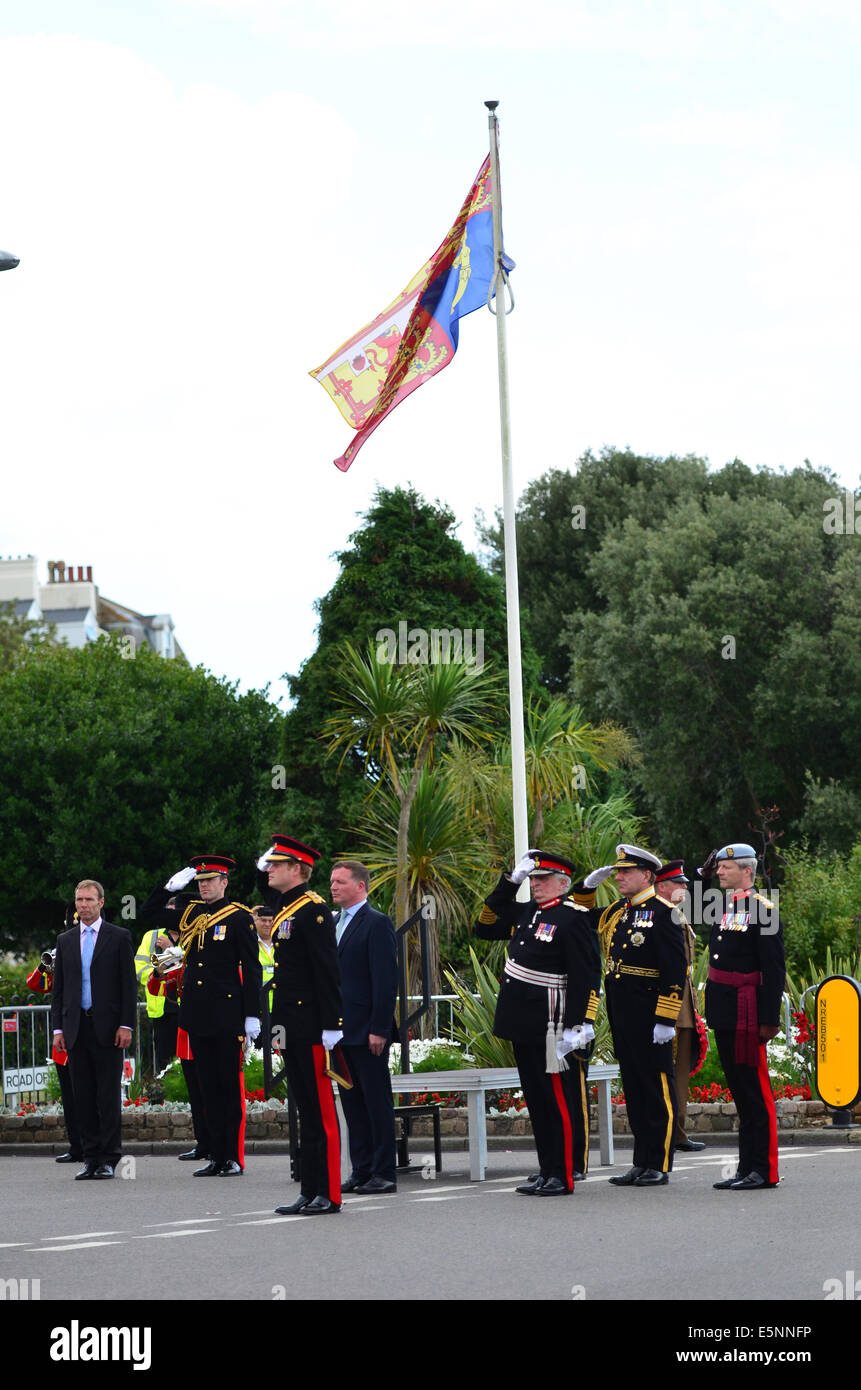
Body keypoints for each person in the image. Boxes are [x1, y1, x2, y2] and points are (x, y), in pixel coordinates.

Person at [473, 849, 601, 1195]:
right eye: (533, 879)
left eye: (543, 880)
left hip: (553, 1023)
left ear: (563, 883)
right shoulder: (527, 912)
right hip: (523, 1022)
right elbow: (484, 926)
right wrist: (508, 883)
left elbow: (587, 974)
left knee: (556, 1099)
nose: (537, 885)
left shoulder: (573, 918)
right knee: (537, 1099)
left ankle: (562, 1173)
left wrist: (582, 1023)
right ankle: (547, 1170)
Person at [141, 855, 261, 1177]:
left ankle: (232, 1157)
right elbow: (149, 913)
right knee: (207, 1087)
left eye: (210, 881)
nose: (204, 886)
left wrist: (252, 1015)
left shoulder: (238, 917)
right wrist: (168, 887)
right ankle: (216, 1155)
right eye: (200, 882)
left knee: (228, 1089)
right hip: (196, 1013)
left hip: (226, 1013)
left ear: (224, 882)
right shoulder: (191, 912)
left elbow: (252, 968)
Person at [583, 844, 687, 1188]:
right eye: (618, 871)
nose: (619, 876)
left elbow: (675, 969)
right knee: (635, 1087)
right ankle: (641, 1161)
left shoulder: (665, 912)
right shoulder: (618, 911)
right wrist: (585, 889)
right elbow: (582, 919)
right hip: (622, 1009)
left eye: (626, 871)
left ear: (647, 875)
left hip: (650, 1008)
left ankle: (659, 1162)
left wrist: (666, 1018)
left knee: (656, 1086)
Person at [257, 834, 343, 1216]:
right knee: (304, 1110)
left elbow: (327, 971)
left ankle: (328, 1192)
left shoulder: (314, 910)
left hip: (312, 1024)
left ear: (297, 869)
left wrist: (332, 1024)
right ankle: (310, 1189)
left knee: (321, 1112)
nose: (270, 869)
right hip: (291, 1023)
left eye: (277, 864)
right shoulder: (286, 906)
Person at [703, 842, 785, 1191]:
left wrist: (769, 1020)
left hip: (749, 1010)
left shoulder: (763, 909)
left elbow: (773, 969)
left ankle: (763, 1169)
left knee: (754, 1091)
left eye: (726, 867)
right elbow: (688, 902)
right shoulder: (725, 906)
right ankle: (745, 1166)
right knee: (740, 1091)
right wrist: (700, 875)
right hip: (726, 1009)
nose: (719, 872)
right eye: (718, 868)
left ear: (746, 871)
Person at [51, 880, 136, 1180]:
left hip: (108, 1027)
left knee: (107, 1094)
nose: (83, 905)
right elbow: (58, 990)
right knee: (82, 1096)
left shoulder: (118, 937)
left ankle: (109, 1158)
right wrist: (57, 1029)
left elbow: (129, 985)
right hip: (75, 1027)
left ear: (101, 902)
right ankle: (90, 1157)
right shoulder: (66, 940)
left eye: (89, 899)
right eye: (79, 900)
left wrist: (126, 1024)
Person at [330, 860, 398, 1195]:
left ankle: (384, 1171)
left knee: (376, 1102)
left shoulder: (376, 923)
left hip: (366, 1030)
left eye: (340, 881)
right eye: (332, 881)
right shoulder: (332, 923)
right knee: (352, 1105)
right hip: (340, 1031)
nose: (333, 887)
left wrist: (380, 1028)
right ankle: (362, 1169)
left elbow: (385, 981)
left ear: (360, 886)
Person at [654, 861, 706, 1153]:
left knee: (680, 1074)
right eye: (679, 883)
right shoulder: (661, 917)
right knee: (668, 1073)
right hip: (669, 1009)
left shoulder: (677, 915)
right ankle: (670, 1131)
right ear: (661, 887)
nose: (685, 888)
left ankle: (678, 1131)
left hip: (683, 1007)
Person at [27, 916, 81, 1164]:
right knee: (70, 1100)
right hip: (64, 1044)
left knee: (90, 1097)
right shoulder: (60, 954)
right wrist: (45, 965)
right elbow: (34, 984)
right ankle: (76, 1147)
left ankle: (95, 1146)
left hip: (87, 1036)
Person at [134, 913, 181, 1073]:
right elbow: (139, 968)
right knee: (164, 1063)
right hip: (162, 1009)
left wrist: (170, 949)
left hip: (188, 1009)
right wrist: (159, 975)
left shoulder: (193, 933)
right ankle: (168, 1097)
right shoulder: (152, 936)